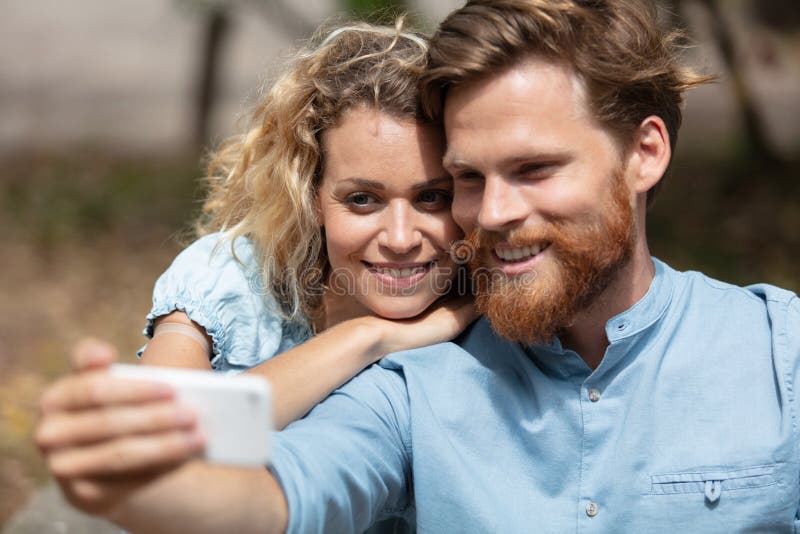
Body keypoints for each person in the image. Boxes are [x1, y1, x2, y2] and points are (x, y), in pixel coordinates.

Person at [37, 1, 800, 533]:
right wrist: (144, 485)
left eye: (533, 168)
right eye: (472, 178)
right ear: (316, 200)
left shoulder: (777, 352)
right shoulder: (412, 375)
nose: (492, 212)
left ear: (646, 152)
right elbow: (271, 495)